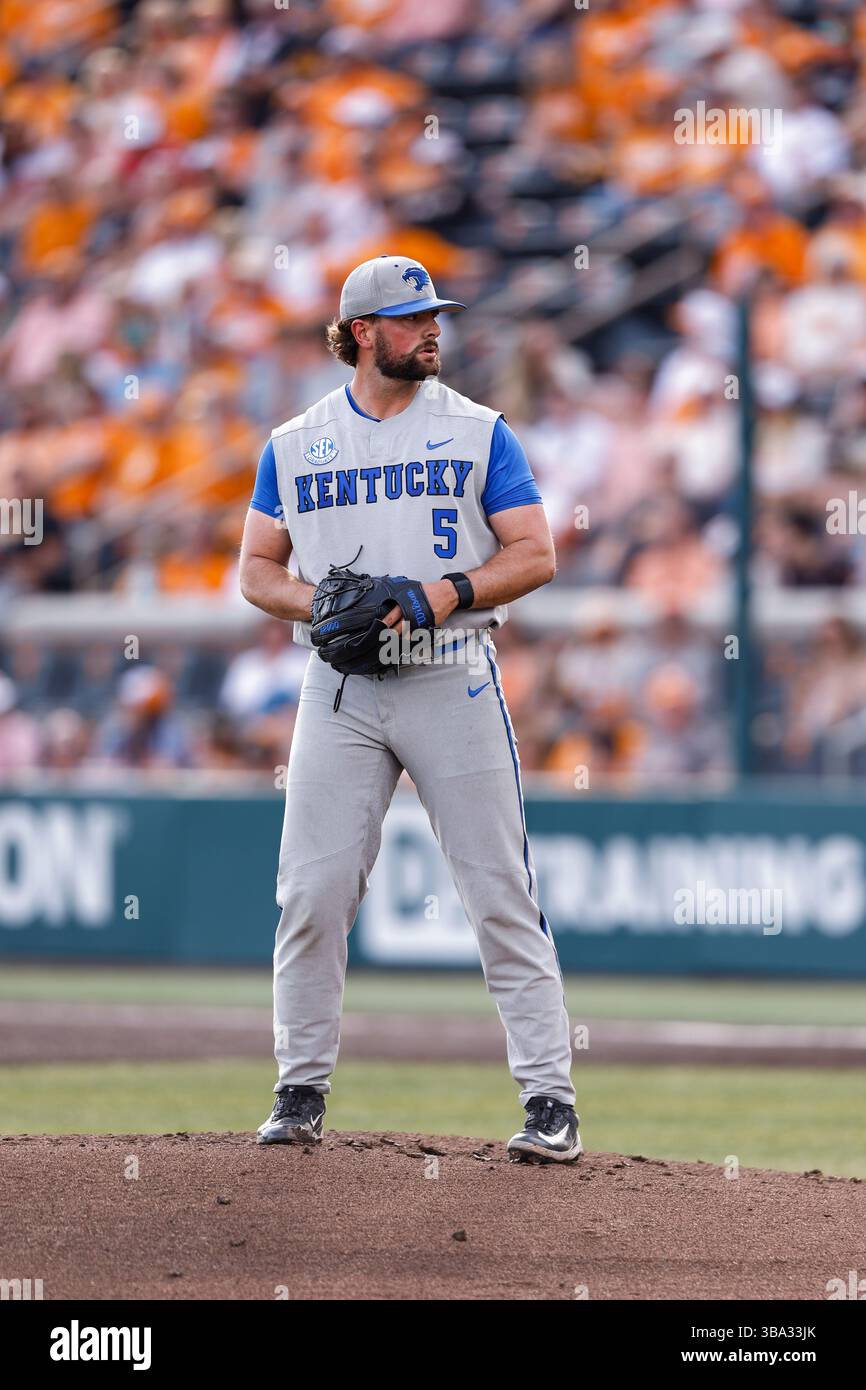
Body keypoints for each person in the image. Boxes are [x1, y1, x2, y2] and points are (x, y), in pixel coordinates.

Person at [239, 254, 579, 1163]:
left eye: (437, 315)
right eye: (413, 317)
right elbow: (255, 571)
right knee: (310, 891)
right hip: (342, 688)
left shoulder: (477, 429)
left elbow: (536, 553)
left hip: (451, 670)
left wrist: (446, 591)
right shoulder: (296, 441)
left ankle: (550, 1098)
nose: (434, 328)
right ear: (361, 333)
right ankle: (299, 1089)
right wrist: (320, 605)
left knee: (499, 890)